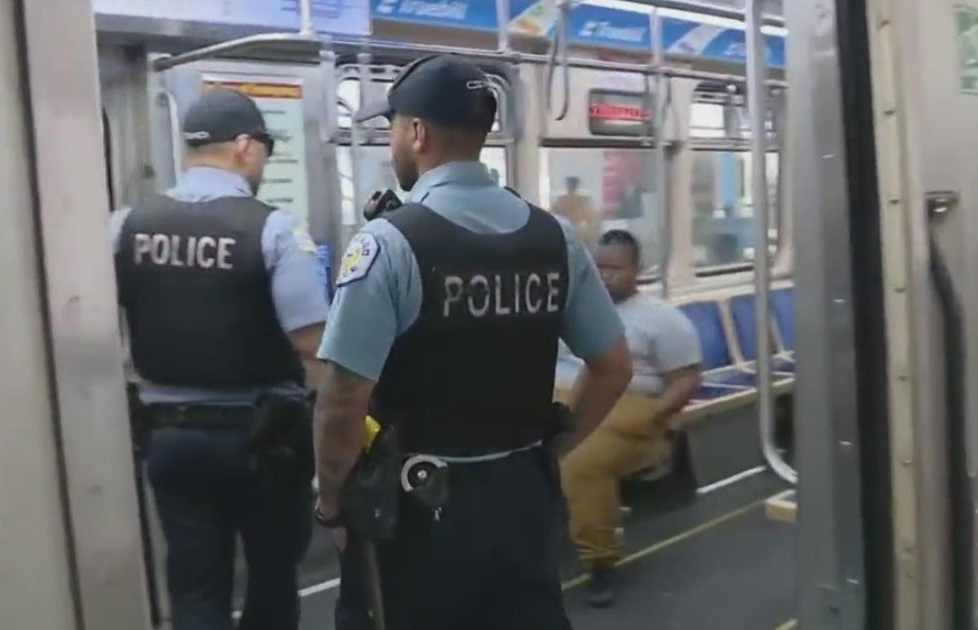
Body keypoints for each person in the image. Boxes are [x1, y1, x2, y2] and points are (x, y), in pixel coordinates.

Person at [311, 54, 633, 630]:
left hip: (419, 510)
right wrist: (552, 451)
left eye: (393, 130)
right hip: (524, 501)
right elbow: (612, 367)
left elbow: (341, 397)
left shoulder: (388, 244)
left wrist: (332, 501)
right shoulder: (554, 238)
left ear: (416, 133)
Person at [109, 88, 327, 630]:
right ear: (246, 147)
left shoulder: (125, 226)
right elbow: (312, 341)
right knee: (273, 577)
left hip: (170, 439)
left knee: (195, 585)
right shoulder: (273, 229)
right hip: (264, 441)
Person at [556, 229, 703, 608]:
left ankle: (599, 561)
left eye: (615, 269)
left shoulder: (662, 319)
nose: (605, 276)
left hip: (632, 407)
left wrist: (656, 415)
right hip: (565, 396)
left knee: (579, 464)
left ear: (638, 270)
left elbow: (686, 379)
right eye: (599, 268)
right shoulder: (571, 310)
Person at [551, 175, 600, 246]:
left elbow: (590, 216)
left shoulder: (583, 200)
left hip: (577, 228)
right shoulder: (561, 199)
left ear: (576, 186)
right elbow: (552, 213)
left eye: (572, 185)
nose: (571, 187)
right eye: (569, 184)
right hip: (564, 228)